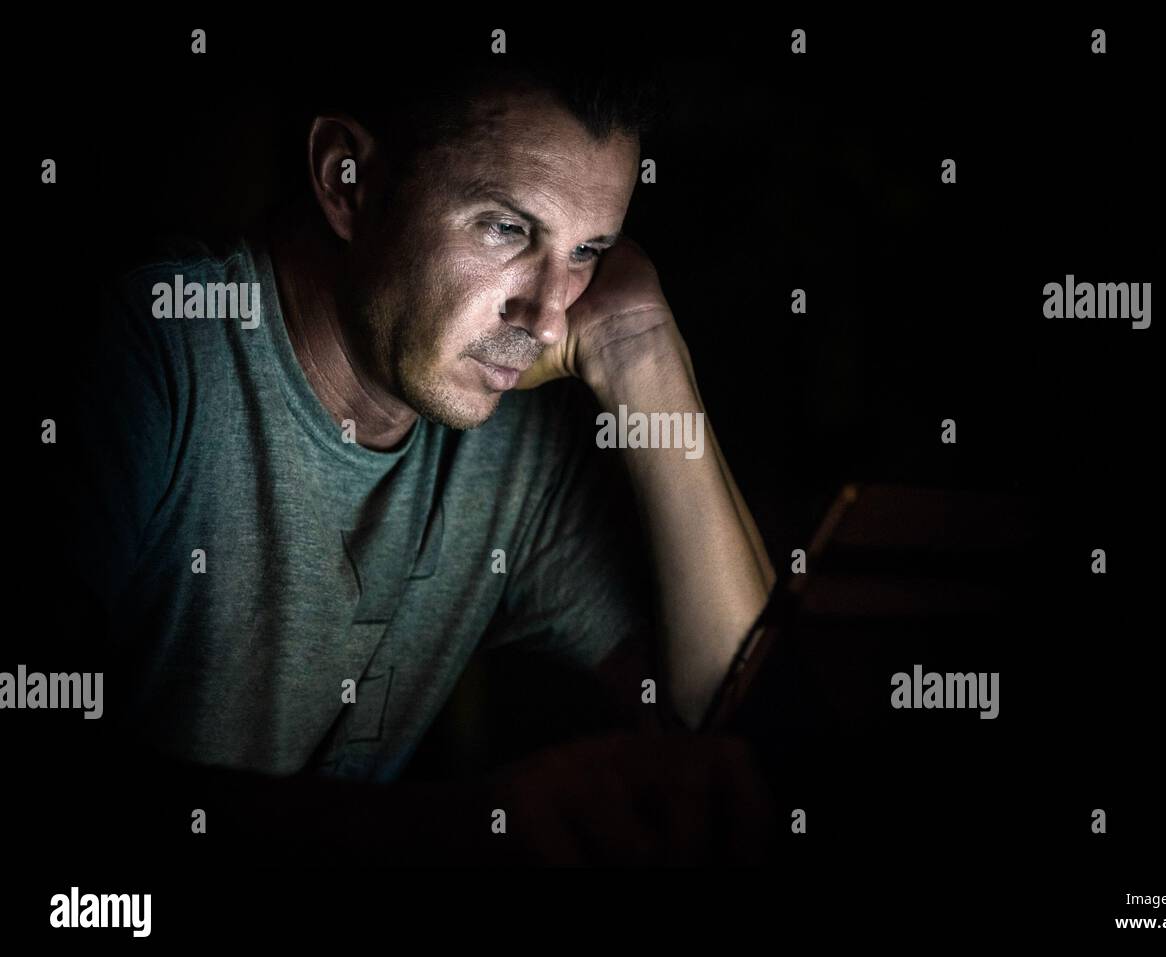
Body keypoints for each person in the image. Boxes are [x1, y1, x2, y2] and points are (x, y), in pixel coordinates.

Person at [60, 55, 776, 794]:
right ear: (347, 181)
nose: (548, 314)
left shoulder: (515, 434)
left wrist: (642, 350)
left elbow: (737, 725)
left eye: (586, 251)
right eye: (506, 228)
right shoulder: (154, 355)